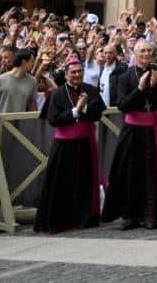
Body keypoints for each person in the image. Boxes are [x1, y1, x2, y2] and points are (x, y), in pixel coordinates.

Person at [103, 41, 157, 229]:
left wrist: (156, 86)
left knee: (154, 172)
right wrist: (140, 89)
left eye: (149, 50)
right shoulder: (125, 76)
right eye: (142, 50)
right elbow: (123, 105)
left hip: (156, 130)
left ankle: (151, 214)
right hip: (133, 131)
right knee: (130, 172)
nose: (146, 53)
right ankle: (130, 215)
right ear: (135, 53)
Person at [34, 58, 106, 233]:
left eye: (79, 71)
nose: (77, 75)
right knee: (60, 183)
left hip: (85, 143)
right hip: (63, 145)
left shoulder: (90, 90)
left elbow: (98, 113)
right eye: (73, 72)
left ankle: (83, 219)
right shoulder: (57, 94)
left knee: (84, 181)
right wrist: (75, 110)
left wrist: (85, 108)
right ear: (66, 74)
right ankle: (60, 220)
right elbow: (53, 120)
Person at [0, 49, 38, 113]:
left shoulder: (32, 81)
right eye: (31, 61)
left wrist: (34, 121)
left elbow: (32, 105)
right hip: (0, 122)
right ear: (24, 62)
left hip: (22, 122)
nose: (33, 64)